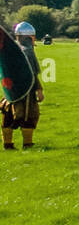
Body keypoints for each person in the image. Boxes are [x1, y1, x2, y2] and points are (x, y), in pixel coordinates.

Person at [2, 21, 44, 150]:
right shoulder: (27, 52)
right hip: (26, 91)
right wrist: (39, 89)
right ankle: (27, 144)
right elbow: (31, 74)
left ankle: (8, 144)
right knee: (29, 115)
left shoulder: (12, 50)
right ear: (30, 37)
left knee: (7, 114)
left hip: (11, 90)